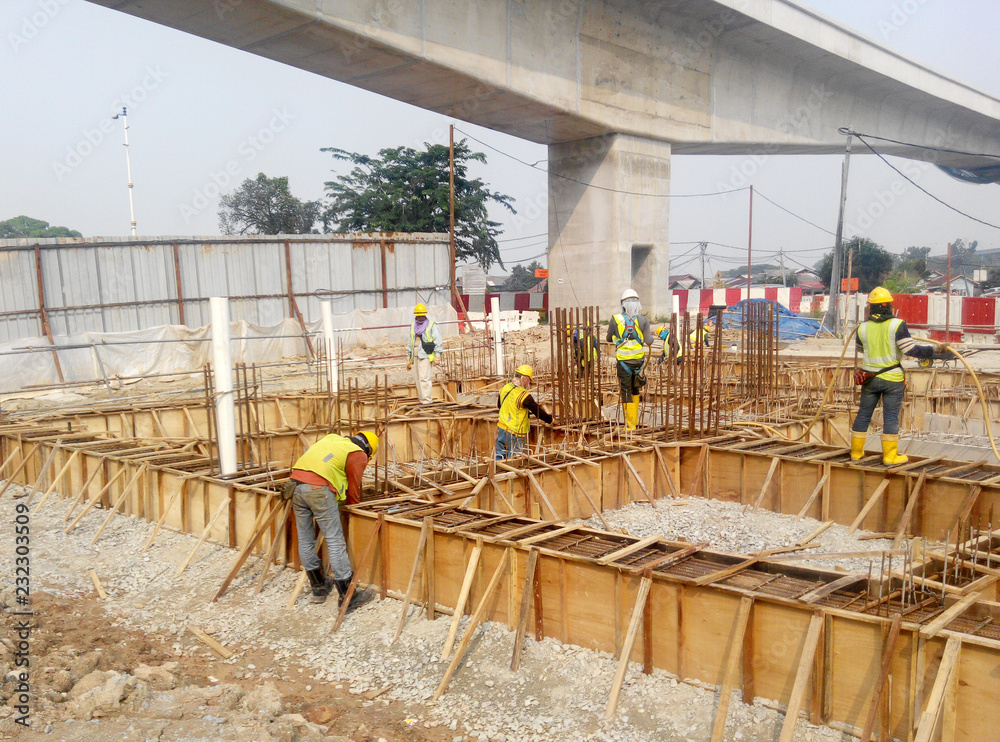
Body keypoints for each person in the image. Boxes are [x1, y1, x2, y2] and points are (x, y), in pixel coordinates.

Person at [289, 431, 379, 610]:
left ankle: (318, 588)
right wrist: (354, 506)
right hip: (318, 490)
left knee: (305, 539)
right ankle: (348, 594)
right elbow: (354, 487)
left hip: (295, 485)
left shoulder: (333, 439)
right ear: (368, 450)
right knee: (335, 540)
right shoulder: (358, 453)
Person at [851, 286, 937, 465]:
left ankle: (856, 453)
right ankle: (890, 456)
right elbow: (911, 350)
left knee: (863, 415)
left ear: (871, 307)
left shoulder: (862, 328)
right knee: (890, 416)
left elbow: (860, 350)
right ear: (888, 305)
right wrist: (933, 351)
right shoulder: (897, 324)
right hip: (892, 379)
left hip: (869, 378)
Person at [606, 288, 652, 429]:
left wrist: (617, 338)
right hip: (639, 363)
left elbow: (608, 338)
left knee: (626, 391)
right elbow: (649, 341)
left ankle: (630, 425)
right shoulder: (643, 320)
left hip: (624, 363)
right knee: (635, 389)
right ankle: (634, 421)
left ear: (623, 304)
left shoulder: (616, 320)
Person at [494, 364, 553, 460]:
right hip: (515, 432)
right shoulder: (524, 395)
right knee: (515, 462)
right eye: (529, 380)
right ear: (524, 378)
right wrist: (551, 420)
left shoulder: (505, 388)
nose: (529, 383)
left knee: (499, 457)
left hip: (501, 428)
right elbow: (538, 412)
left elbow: (499, 406)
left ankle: (495, 473)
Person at [407, 303, 442, 404]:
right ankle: (422, 399)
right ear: (416, 316)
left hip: (426, 355)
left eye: (422, 315)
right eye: (419, 315)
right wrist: (408, 358)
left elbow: (438, 340)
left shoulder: (431, 325)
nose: (420, 317)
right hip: (416, 355)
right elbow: (410, 343)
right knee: (418, 379)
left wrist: (438, 356)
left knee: (424, 378)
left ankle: (426, 400)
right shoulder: (413, 326)